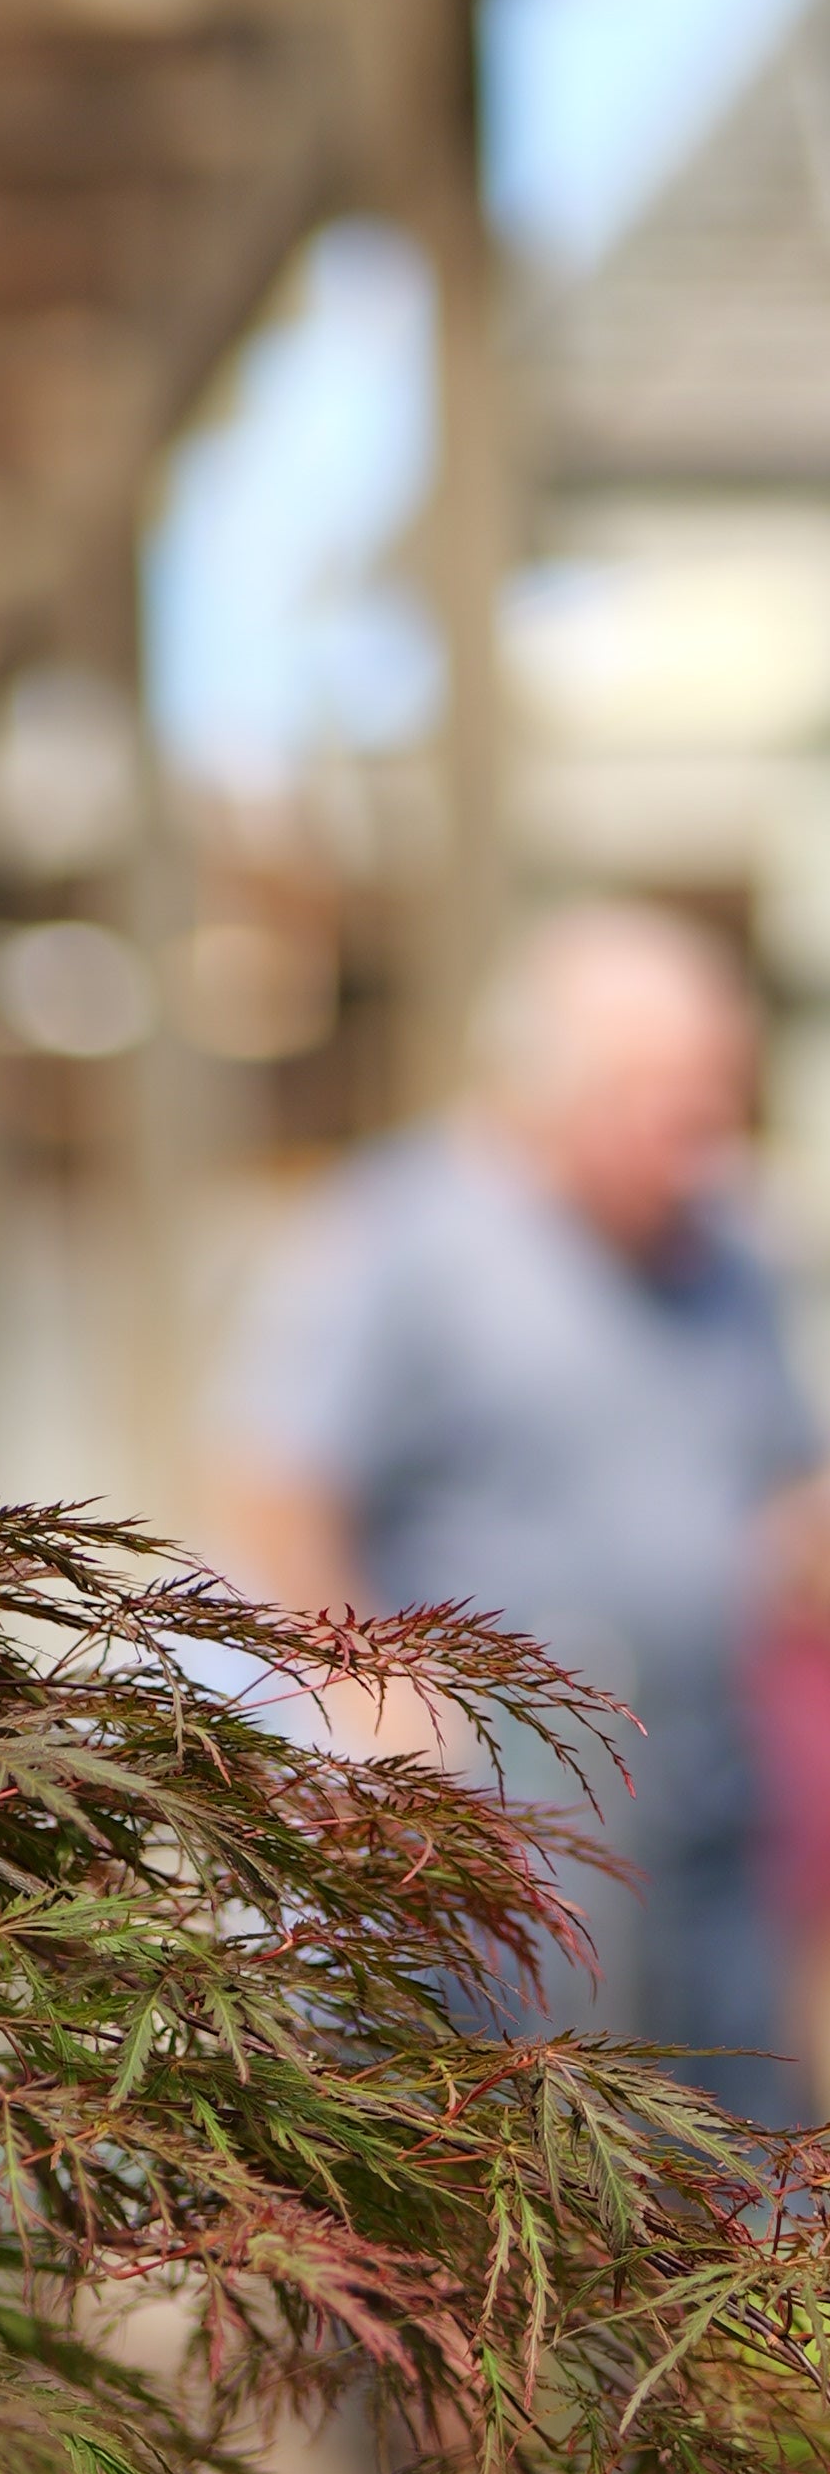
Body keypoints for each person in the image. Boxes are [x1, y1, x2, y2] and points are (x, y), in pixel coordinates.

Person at [216, 900, 830, 2106]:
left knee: (730, 2157)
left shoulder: (729, 1255)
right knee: (529, 2148)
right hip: (499, 1810)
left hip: (704, 1789)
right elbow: (275, 1476)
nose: (698, 1135)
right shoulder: (406, 1232)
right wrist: (365, 1674)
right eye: (664, 1099)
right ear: (553, 1088)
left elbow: (774, 1499)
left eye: (716, 1097)